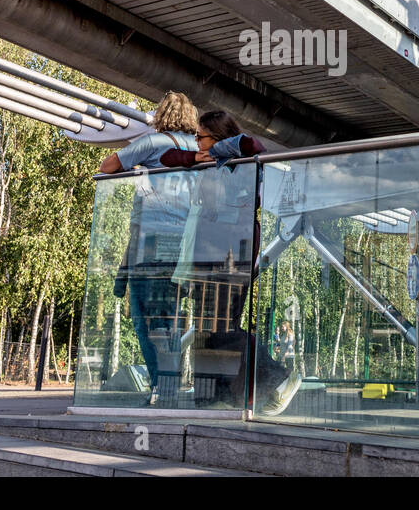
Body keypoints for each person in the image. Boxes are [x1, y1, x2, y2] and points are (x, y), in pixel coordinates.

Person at [158, 109, 300, 414]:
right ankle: (213, 397)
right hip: (205, 259)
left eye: (201, 136)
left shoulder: (241, 164)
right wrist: (197, 158)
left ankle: (278, 377)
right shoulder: (206, 164)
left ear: (220, 136)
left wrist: (220, 150)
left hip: (230, 258)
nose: (196, 142)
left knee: (223, 329)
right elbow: (167, 158)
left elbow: (253, 145)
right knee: (206, 331)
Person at [102, 91, 200, 405]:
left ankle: (162, 385)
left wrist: (137, 170)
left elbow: (107, 166)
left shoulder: (153, 143)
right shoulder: (197, 148)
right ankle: (167, 384)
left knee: (143, 319)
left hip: (150, 243)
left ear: (162, 115)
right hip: (183, 244)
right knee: (168, 319)